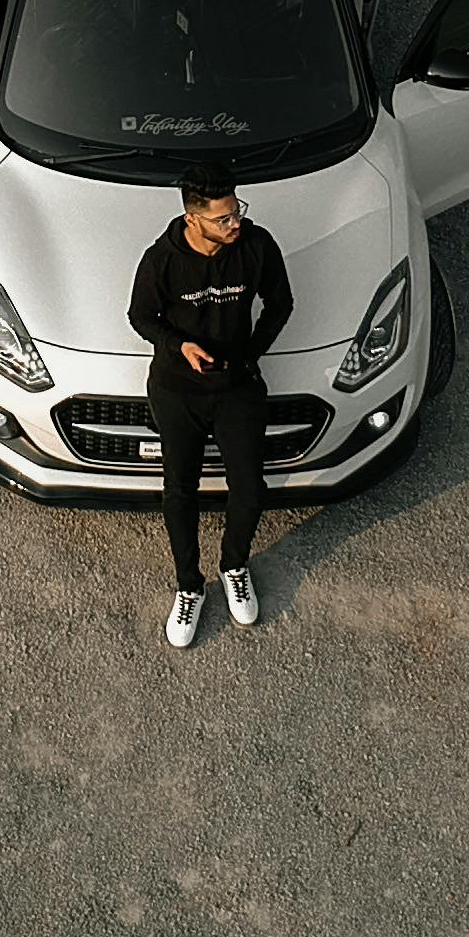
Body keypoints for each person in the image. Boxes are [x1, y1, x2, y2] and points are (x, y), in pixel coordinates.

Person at [127, 168, 292, 648]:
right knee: (180, 490)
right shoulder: (161, 260)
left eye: (236, 211)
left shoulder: (257, 246)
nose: (234, 223)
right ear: (191, 217)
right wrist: (179, 346)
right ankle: (189, 586)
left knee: (250, 486)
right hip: (178, 391)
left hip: (237, 386)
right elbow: (140, 316)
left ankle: (235, 564)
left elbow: (280, 304)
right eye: (222, 219)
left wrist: (250, 353)